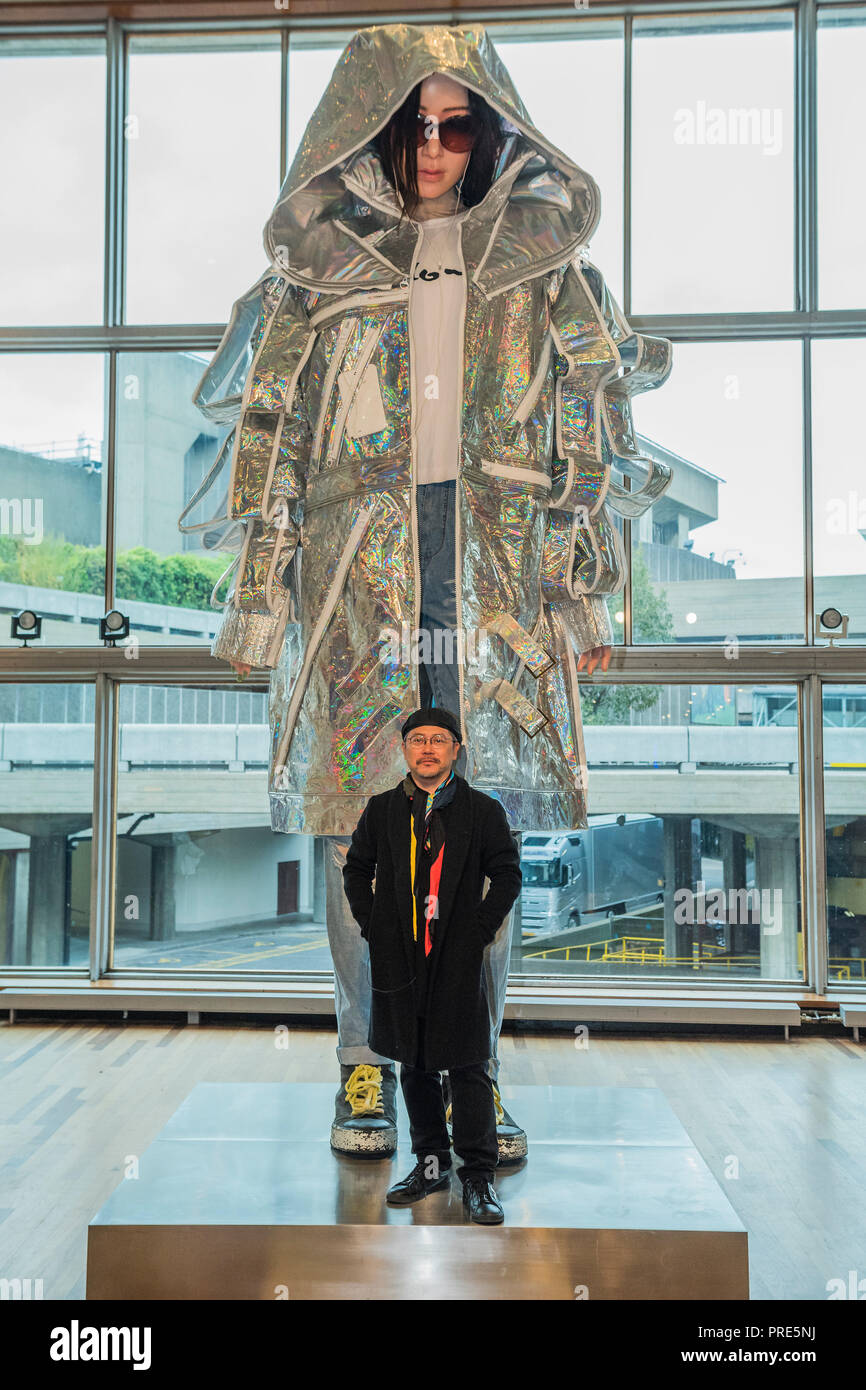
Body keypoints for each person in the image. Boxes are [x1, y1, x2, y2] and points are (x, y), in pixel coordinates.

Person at [179, 24, 673, 1162]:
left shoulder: (547, 265)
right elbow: (272, 438)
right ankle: (365, 1064)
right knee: (360, 821)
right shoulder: (316, 271)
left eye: (459, 123)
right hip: (357, 564)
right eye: (417, 123)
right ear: (377, 129)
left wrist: (580, 596)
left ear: (489, 129)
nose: (439, 146)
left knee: (478, 826)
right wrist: (261, 598)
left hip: (489, 566)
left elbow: (587, 434)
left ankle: (472, 1071)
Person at [342, 706, 522, 1224]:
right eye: (417, 739)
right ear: (404, 749)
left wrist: (477, 932)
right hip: (401, 956)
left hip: (456, 958)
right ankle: (429, 1164)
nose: (427, 748)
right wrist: (373, 926)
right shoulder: (382, 810)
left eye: (438, 740)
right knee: (414, 1062)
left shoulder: (483, 811)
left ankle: (479, 1178)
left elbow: (507, 875)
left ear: (455, 750)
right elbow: (357, 870)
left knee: (467, 1065)